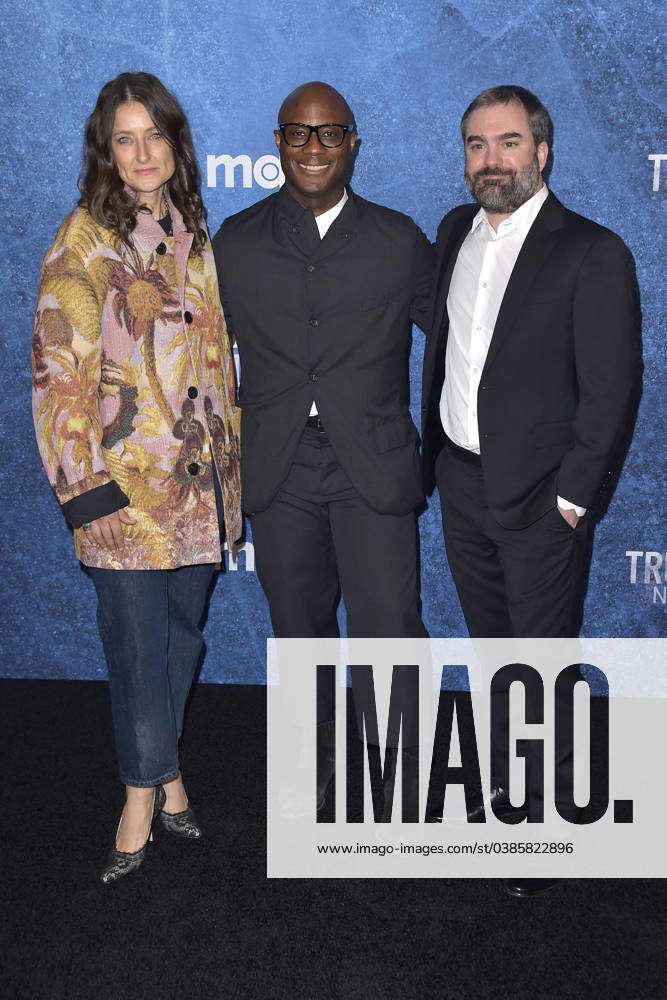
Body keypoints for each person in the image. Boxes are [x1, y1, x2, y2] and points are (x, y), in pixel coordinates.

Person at [421, 85, 641, 896]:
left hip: (543, 498)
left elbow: (611, 387)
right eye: (477, 145)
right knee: (493, 651)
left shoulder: (592, 250)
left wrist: (573, 498)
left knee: (539, 662)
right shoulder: (452, 232)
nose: (491, 160)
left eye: (508, 143)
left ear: (541, 151)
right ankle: (510, 788)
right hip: (461, 481)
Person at [31, 72, 242, 883]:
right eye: (126, 137)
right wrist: (86, 496)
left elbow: (217, 367)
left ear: (174, 145)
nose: (143, 151)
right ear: (106, 151)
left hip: (201, 491)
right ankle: (138, 794)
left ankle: (168, 769)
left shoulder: (194, 233)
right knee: (134, 648)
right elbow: (57, 372)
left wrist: (232, 480)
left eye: (154, 134)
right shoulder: (82, 239)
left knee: (181, 641)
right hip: (121, 495)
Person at [213, 81, 433, 642]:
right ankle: (311, 734)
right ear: (279, 142)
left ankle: (391, 737)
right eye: (299, 134)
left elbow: (464, 339)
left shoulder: (398, 239)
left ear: (352, 142)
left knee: (389, 624)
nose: (313, 147)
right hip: (279, 466)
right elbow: (197, 357)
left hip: (373, 463)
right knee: (296, 628)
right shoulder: (235, 243)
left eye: (329, 133)